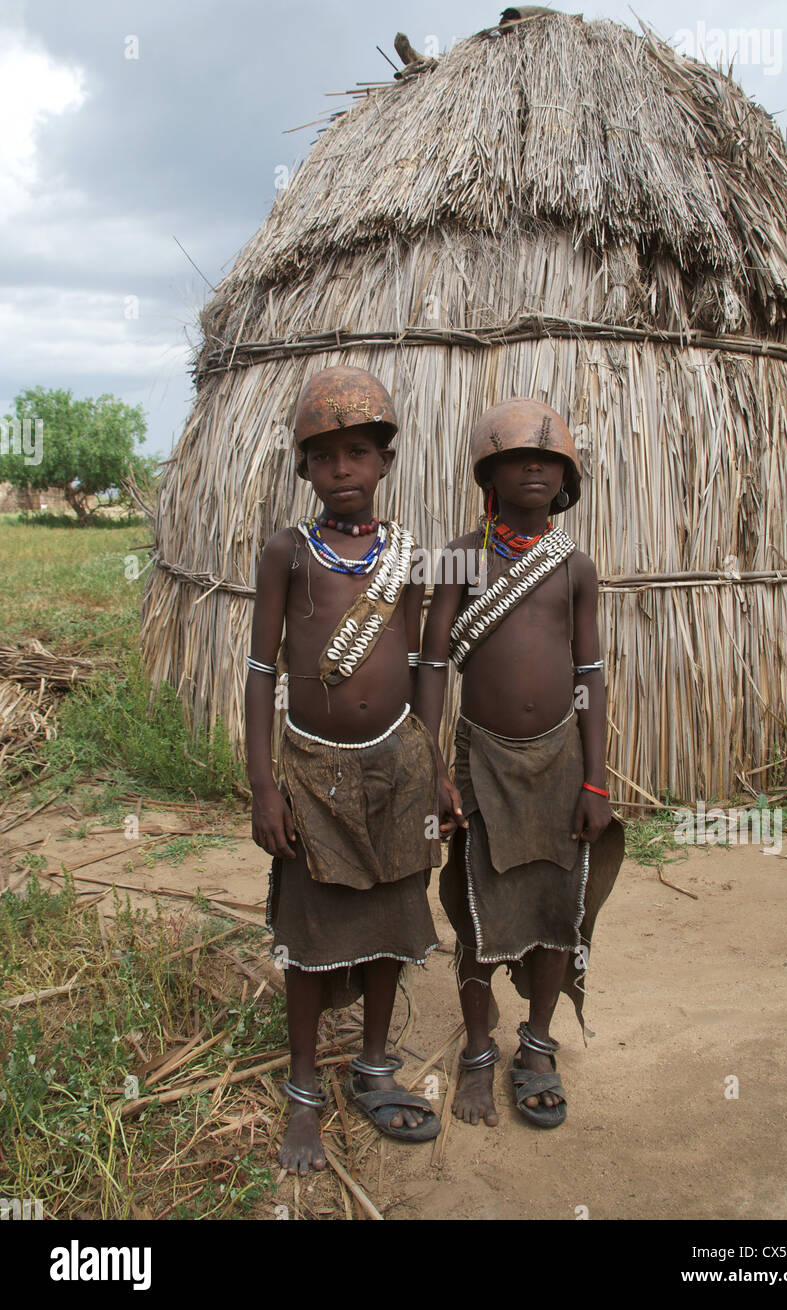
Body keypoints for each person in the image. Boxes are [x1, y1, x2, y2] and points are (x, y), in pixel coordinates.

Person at [246, 365, 442, 1175]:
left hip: (398, 765)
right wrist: (263, 783)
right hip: (311, 772)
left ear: (385, 461)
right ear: (304, 470)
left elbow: (428, 658)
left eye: (358, 452)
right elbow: (262, 671)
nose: (343, 470)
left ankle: (372, 1067)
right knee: (313, 929)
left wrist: (429, 754)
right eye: (325, 458)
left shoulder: (408, 555)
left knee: (393, 920)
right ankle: (302, 1092)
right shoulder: (286, 553)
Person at [415, 397, 625, 1130]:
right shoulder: (457, 556)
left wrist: (596, 778)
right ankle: (479, 1048)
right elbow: (433, 663)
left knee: (557, 905)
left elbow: (590, 673)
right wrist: (434, 764)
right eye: (515, 457)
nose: (533, 467)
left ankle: (536, 1044)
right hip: (481, 760)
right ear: (489, 473)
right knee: (477, 908)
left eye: (548, 459)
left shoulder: (576, 568)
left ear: (566, 477)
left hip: (564, 759)